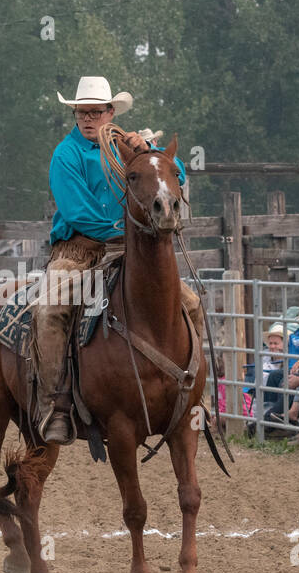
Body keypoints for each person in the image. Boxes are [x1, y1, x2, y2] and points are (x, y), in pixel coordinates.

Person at [38, 75, 190, 442]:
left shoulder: (130, 149)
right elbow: (77, 212)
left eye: (96, 112)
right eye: (82, 113)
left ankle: (193, 391)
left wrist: (148, 146)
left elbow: (175, 173)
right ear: (75, 114)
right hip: (79, 250)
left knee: (191, 303)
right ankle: (56, 404)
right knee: (51, 307)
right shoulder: (66, 155)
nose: (89, 119)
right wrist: (123, 230)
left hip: (129, 250)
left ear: (110, 112)